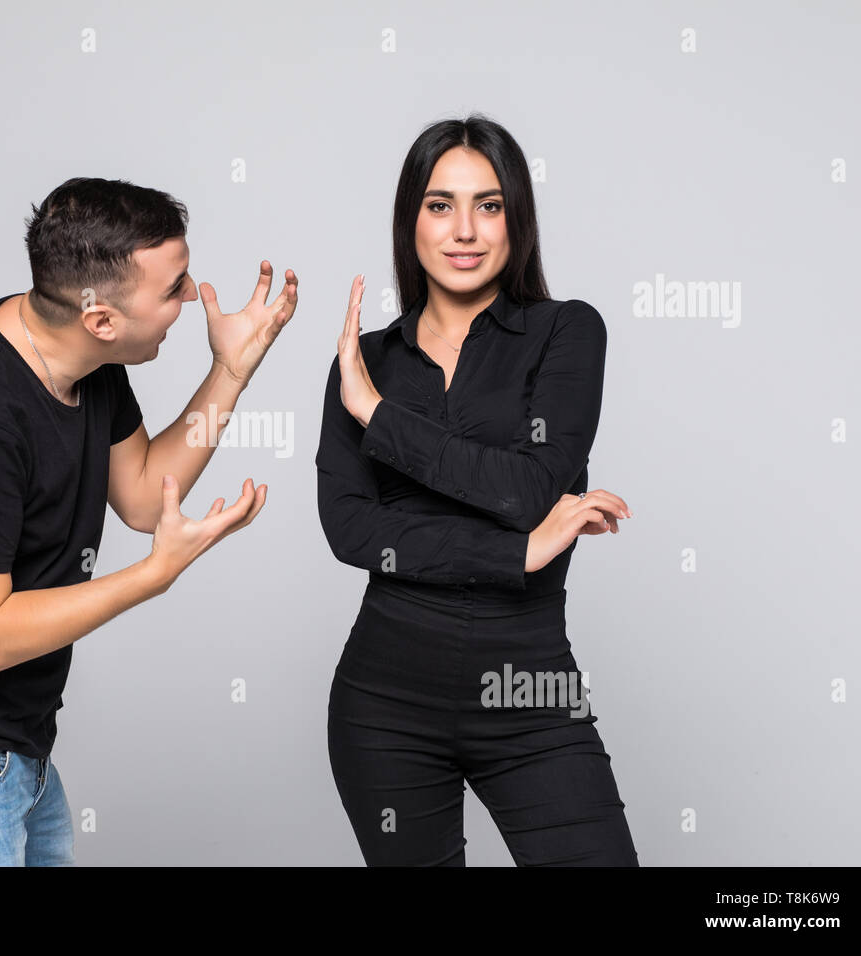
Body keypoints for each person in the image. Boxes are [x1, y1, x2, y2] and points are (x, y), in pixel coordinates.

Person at [0, 177, 298, 865]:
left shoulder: (85, 359)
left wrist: (230, 371)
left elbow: (145, 494)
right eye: (173, 288)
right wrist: (153, 576)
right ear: (103, 320)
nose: (189, 299)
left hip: (10, 754)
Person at [317, 114, 640, 866]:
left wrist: (379, 419)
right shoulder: (362, 363)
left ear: (515, 219)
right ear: (411, 220)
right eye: (440, 205)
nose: (465, 229)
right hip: (383, 705)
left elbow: (526, 488)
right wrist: (515, 554)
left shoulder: (568, 333)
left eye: (488, 205)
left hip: (529, 695)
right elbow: (351, 530)